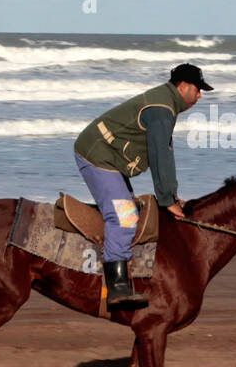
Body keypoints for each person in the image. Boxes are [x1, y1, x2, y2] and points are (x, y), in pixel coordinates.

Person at [73, 63, 213, 308]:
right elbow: (160, 156)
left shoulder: (166, 103)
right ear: (182, 86)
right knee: (124, 216)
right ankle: (117, 289)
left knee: (128, 211)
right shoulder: (161, 109)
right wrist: (167, 200)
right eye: (197, 89)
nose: (199, 95)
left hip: (110, 157)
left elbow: (164, 153)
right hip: (97, 155)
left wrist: (170, 195)